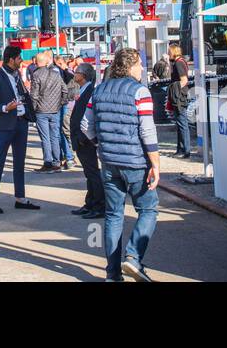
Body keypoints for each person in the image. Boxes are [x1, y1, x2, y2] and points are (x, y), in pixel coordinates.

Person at [81, 47, 160, 282]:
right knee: (148, 209)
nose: (143, 69)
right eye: (140, 65)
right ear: (130, 66)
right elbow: (147, 129)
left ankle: (112, 274)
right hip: (135, 162)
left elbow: (86, 126)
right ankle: (134, 258)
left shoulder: (98, 91)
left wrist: (101, 143)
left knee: (113, 215)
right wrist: (155, 163)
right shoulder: (140, 92)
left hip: (108, 162)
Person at [0, 45, 41, 214]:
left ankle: (20, 198)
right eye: (19, 58)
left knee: (19, 162)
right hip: (4, 125)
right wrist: (4, 108)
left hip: (21, 123)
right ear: (11, 59)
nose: (21, 61)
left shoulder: (17, 76)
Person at [68, 63, 104, 219]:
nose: (74, 75)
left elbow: (87, 117)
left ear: (83, 75)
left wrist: (84, 138)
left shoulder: (90, 91)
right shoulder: (84, 90)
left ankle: (99, 206)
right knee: (89, 174)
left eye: (77, 72)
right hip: (81, 138)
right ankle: (90, 203)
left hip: (85, 139)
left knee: (93, 173)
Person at [28, 51, 69, 172]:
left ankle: (48, 162)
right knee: (54, 137)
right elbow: (65, 90)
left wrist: (32, 110)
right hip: (55, 110)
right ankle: (57, 163)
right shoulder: (56, 74)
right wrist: (60, 103)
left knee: (45, 137)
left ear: (36, 62)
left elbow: (34, 95)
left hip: (41, 110)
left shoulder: (36, 75)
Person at [167, 43, 192, 158]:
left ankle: (186, 150)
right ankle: (180, 149)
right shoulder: (179, 62)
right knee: (180, 123)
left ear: (173, 51)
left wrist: (175, 91)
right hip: (180, 96)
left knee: (182, 123)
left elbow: (184, 80)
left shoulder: (178, 63)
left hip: (179, 97)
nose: (168, 53)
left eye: (169, 51)